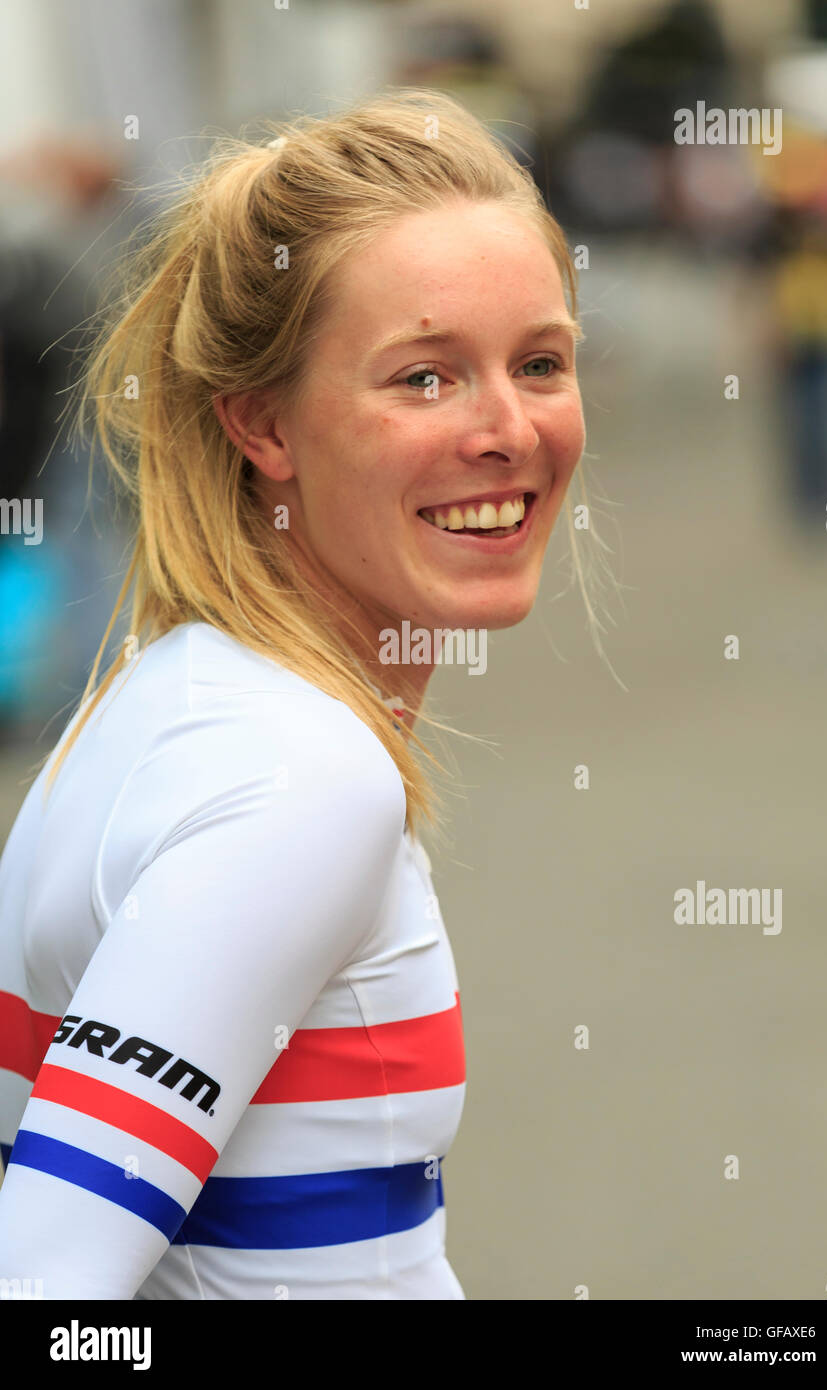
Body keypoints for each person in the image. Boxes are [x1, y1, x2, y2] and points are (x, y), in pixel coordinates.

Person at [0, 87, 587, 1299]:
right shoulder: (301, 778)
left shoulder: (168, 692)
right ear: (262, 424)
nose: (507, 429)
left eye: (538, 362)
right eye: (423, 377)